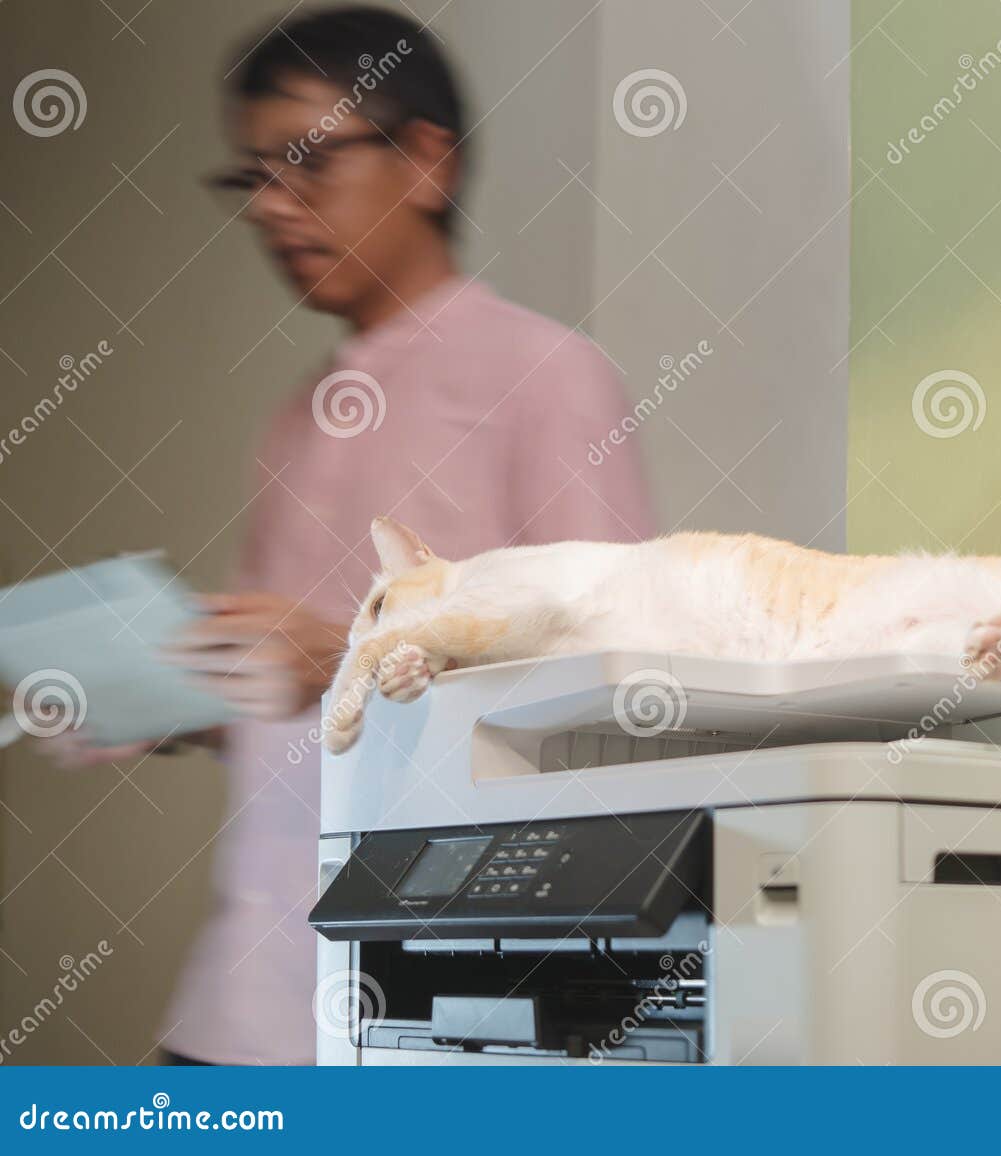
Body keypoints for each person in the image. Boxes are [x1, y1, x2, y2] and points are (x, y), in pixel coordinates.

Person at [47, 5, 652, 1064]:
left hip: (451, 993)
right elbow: (286, 694)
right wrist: (155, 690)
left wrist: (341, 653)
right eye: (252, 181)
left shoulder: (546, 375)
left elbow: (618, 688)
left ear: (427, 161)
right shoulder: (299, 414)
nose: (275, 210)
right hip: (253, 982)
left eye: (308, 166)